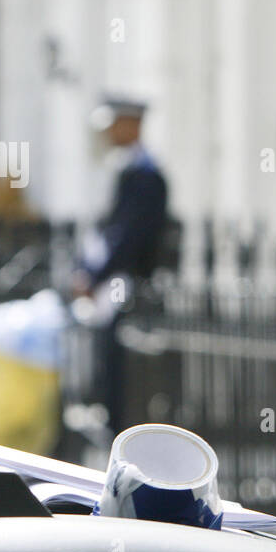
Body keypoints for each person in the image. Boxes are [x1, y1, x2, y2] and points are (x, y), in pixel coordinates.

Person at [71, 94, 169, 434]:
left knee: (122, 373)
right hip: (112, 283)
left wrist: (95, 276)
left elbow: (128, 235)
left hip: (126, 285)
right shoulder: (124, 168)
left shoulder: (145, 175)